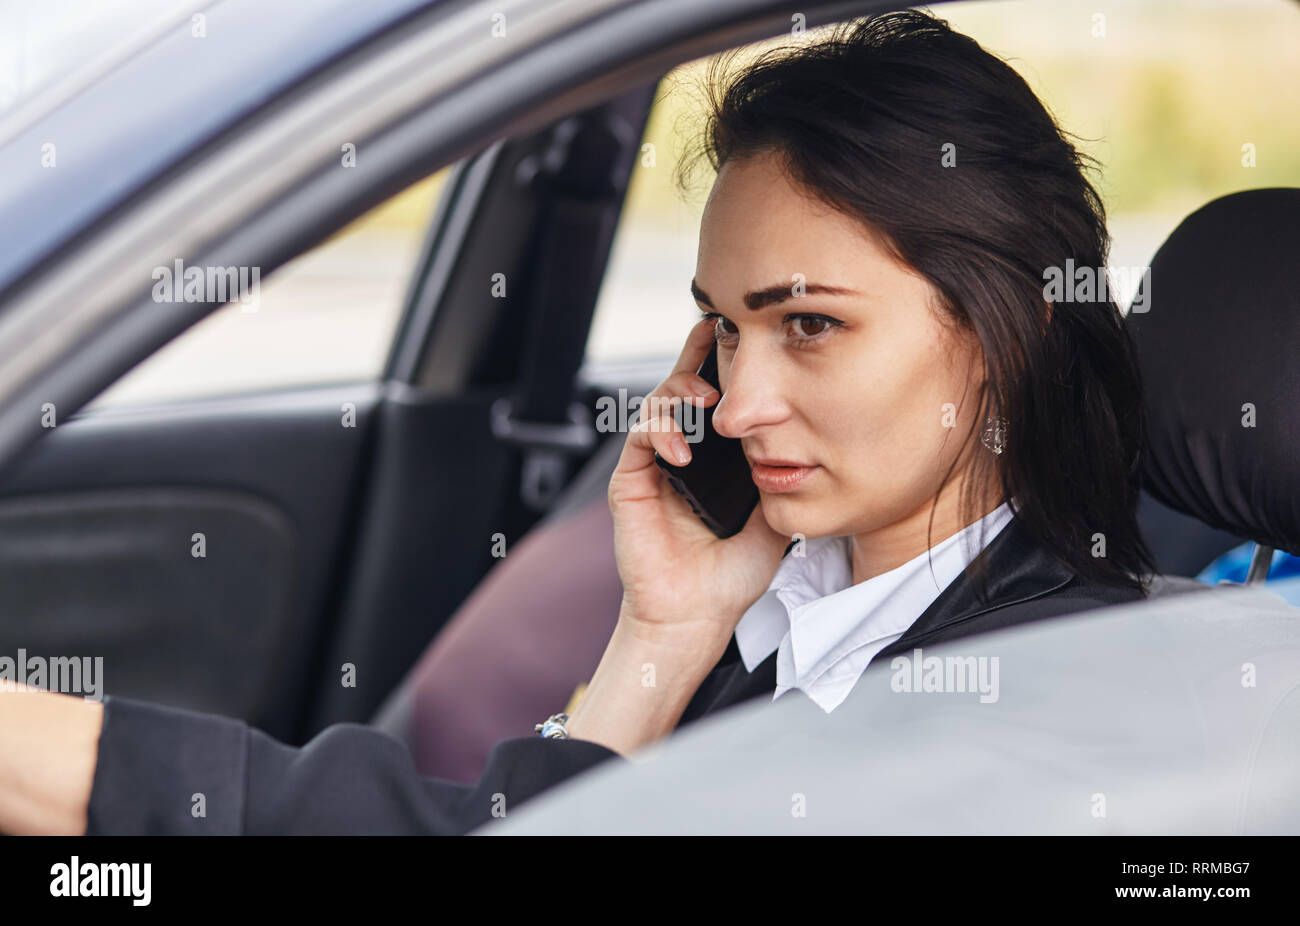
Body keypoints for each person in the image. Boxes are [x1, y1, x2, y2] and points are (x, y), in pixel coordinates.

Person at [0, 9, 1156, 835]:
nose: (742, 404)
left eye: (808, 324)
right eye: (725, 330)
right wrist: (662, 634)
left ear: (1010, 329)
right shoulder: (791, 609)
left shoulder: (1037, 714)